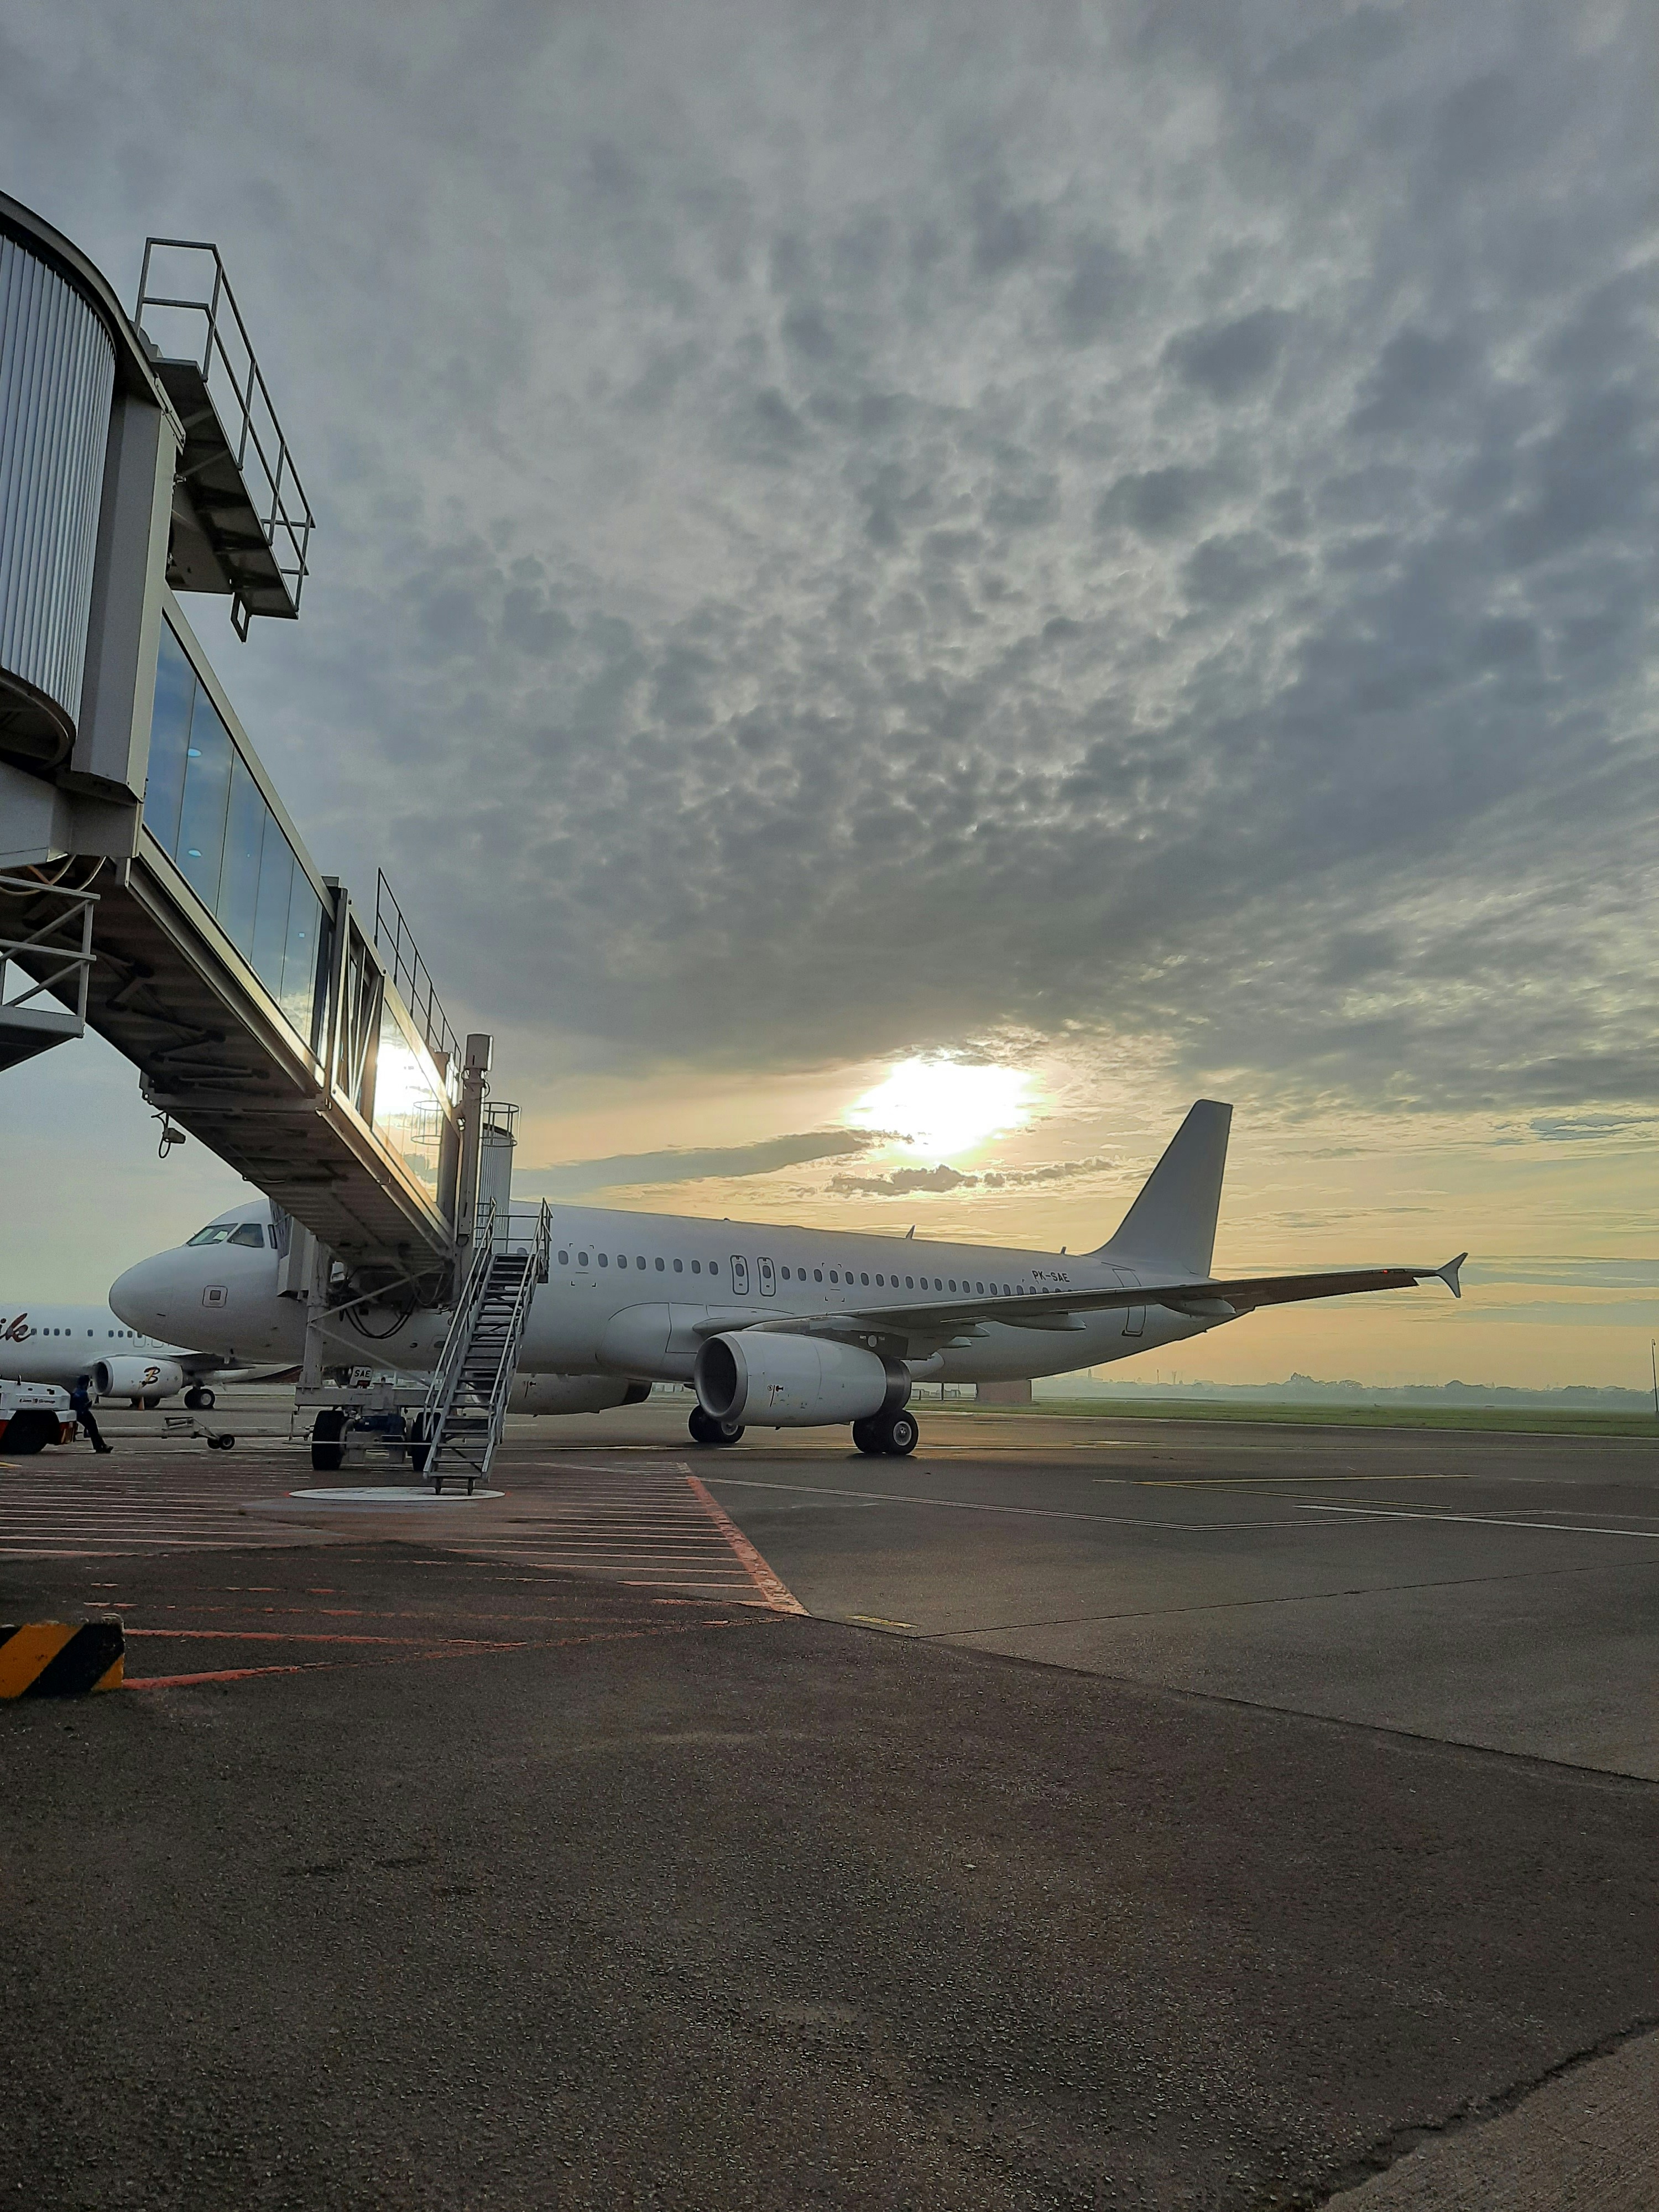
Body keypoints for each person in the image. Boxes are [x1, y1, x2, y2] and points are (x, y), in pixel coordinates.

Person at [69, 1374, 112, 1454]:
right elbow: (85, 1404)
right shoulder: (83, 1393)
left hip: (78, 1415)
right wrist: (89, 1404)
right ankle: (100, 1446)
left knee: (92, 1430)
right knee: (94, 1430)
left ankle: (102, 1446)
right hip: (85, 1413)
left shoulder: (76, 1391)